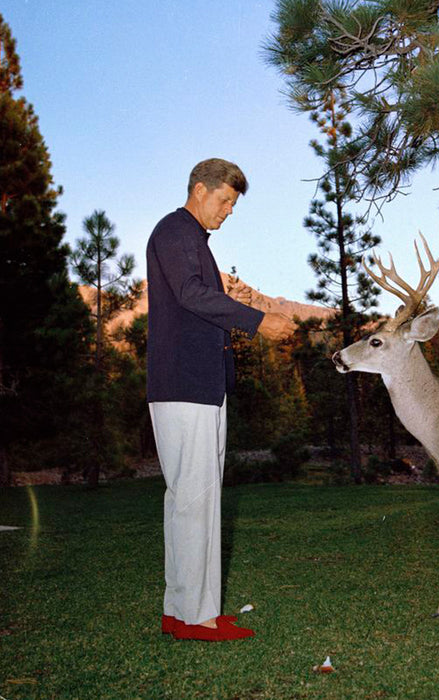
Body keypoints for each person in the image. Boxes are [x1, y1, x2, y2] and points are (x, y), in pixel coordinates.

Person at [146, 158, 265, 642]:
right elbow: (192, 295)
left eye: (233, 205)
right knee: (194, 500)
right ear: (200, 189)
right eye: (225, 201)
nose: (228, 211)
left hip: (196, 386)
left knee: (187, 501)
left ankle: (183, 609)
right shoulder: (176, 230)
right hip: (186, 386)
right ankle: (197, 618)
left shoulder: (191, 238)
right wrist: (257, 319)